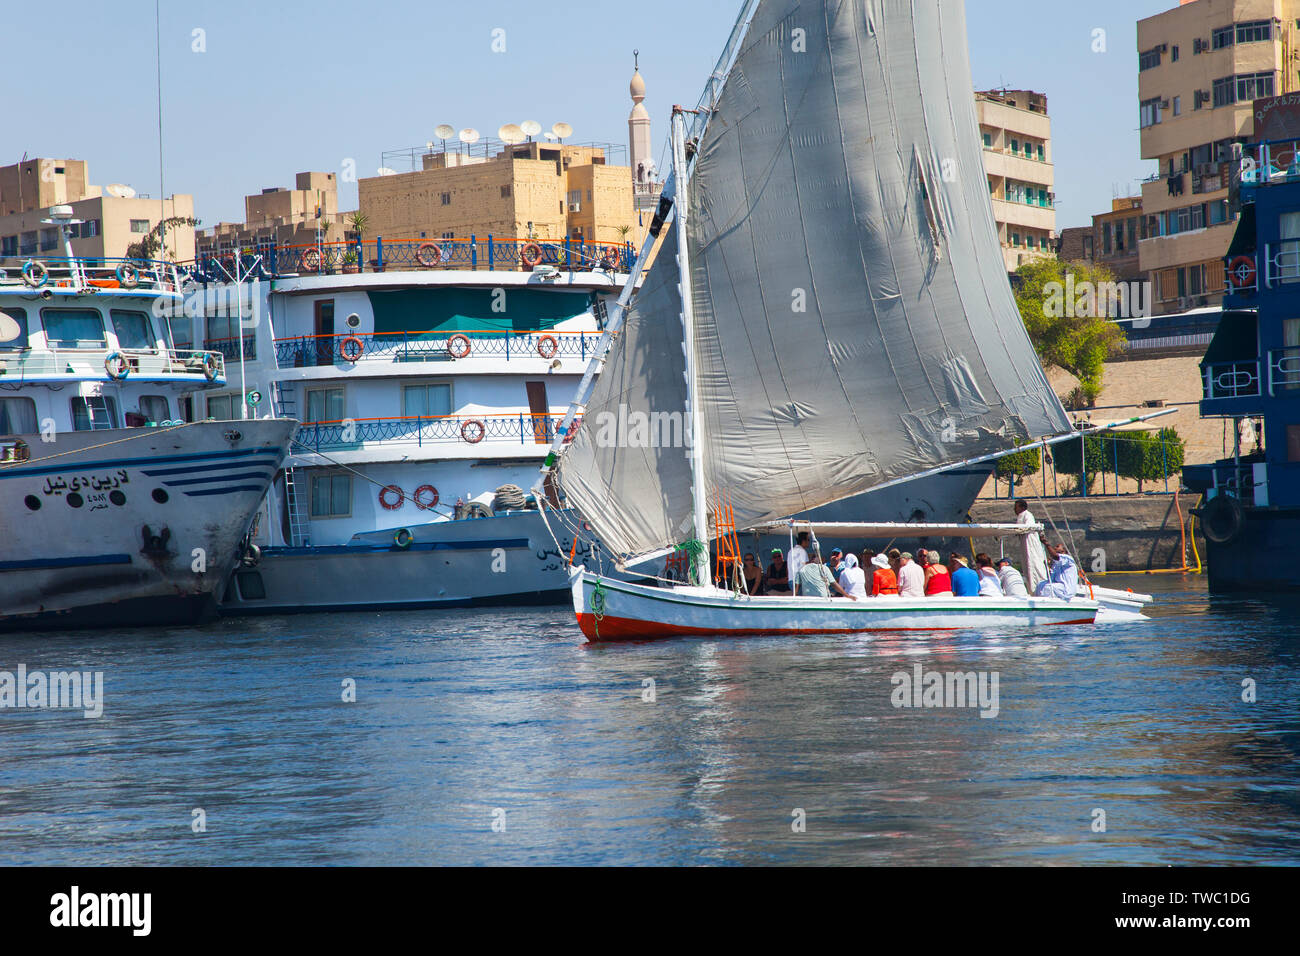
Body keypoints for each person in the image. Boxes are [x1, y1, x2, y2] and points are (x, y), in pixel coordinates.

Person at [1014, 499, 1049, 592]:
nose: (1014, 509)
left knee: (1033, 563)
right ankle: (1031, 589)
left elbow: (1028, 526)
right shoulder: (1020, 517)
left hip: (1030, 543)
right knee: (1027, 566)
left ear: (1022, 507)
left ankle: (1039, 588)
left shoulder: (1027, 514)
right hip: (1024, 543)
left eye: (1016, 507)